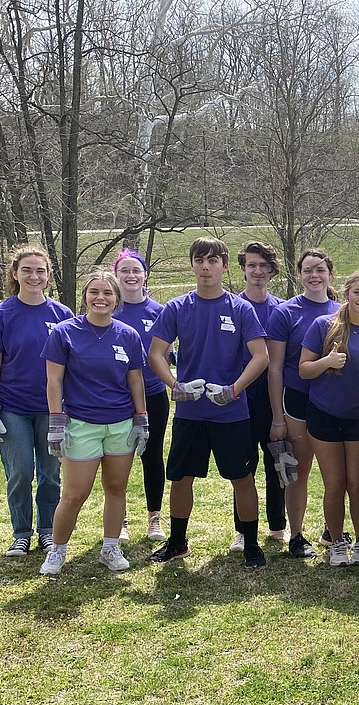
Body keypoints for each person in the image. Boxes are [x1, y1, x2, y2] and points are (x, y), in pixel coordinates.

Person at [147, 236, 270, 567]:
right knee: (181, 478)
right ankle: (176, 543)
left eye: (213, 260)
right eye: (200, 260)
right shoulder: (176, 307)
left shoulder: (240, 309)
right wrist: (175, 384)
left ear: (225, 267)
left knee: (242, 478)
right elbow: (155, 353)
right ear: (192, 265)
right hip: (190, 412)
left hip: (231, 413)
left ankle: (252, 544)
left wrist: (234, 389)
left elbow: (261, 356)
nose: (206, 266)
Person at [38, 270, 148, 574]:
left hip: (120, 424)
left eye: (107, 293)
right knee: (74, 494)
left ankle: (110, 548)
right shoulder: (64, 332)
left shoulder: (128, 335)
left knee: (116, 488)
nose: (101, 298)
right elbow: (53, 382)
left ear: (117, 299)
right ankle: (57, 551)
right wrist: (56, 422)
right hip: (81, 424)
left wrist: (142, 419)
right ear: (85, 296)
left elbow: (135, 380)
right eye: (94, 292)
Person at [0, 244, 73, 556]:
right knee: (19, 472)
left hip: (52, 410)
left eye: (40, 271)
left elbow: (73, 366)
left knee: (50, 473)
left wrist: (68, 409)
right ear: (15, 274)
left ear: (48, 277)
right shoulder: (0, 315)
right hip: (12, 409)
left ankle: (48, 530)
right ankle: (21, 533)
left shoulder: (62, 315)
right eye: (27, 270)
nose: (34, 276)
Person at [299, 270, 359, 566]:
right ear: (346, 294)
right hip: (324, 415)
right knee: (334, 483)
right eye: (357, 292)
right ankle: (335, 543)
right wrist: (327, 362)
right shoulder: (323, 326)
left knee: (358, 484)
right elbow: (303, 370)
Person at [266, 249, 339, 557]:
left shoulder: (343, 311)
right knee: (298, 469)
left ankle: (333, 530)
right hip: (297, 400)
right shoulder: (285, 312)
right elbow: (275, 367)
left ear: (330, 274)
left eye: (320, 269)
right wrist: (277, 417)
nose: (314, 275)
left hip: (333, 401)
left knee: (335, 473)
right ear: (299, 275)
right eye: (308, 270)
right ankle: (296, 535)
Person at [234, 241, 288, 551]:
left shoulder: (281, 309)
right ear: (242, 268)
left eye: (263, 265)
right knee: (242, 465)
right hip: (240, 393)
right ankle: (242, 530)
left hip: (273, 393)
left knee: (276, 460)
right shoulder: (230, 305)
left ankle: (278, 526)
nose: (257, 271)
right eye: (252, 265)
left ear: (271, 270)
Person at [112, 249, 168, 542]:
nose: (131, 275)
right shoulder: (108, 309)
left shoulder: (159, 312)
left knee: (152, 456)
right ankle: (119, 520)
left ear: (145, 274)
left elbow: (168, 354)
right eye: (125, 271)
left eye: (136, 270)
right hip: (117, 398)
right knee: (119, 459)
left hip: (154, 395)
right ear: (116, 275)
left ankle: (154, 519)